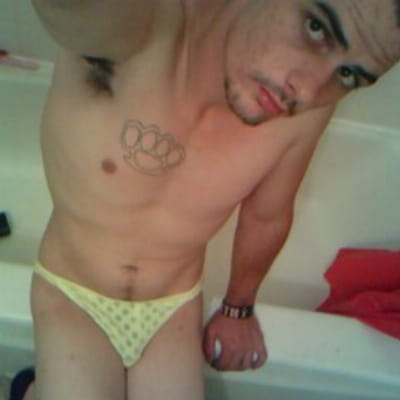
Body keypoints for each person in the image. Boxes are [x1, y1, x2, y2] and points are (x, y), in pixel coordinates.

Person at [14, 0, 400, 399]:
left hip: (172, 306)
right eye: (316, 28)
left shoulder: (308, 110)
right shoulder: (138, 25)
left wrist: (238, 309)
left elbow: (266, 217)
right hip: (73, 293)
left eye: (349, 74)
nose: (307, 90)